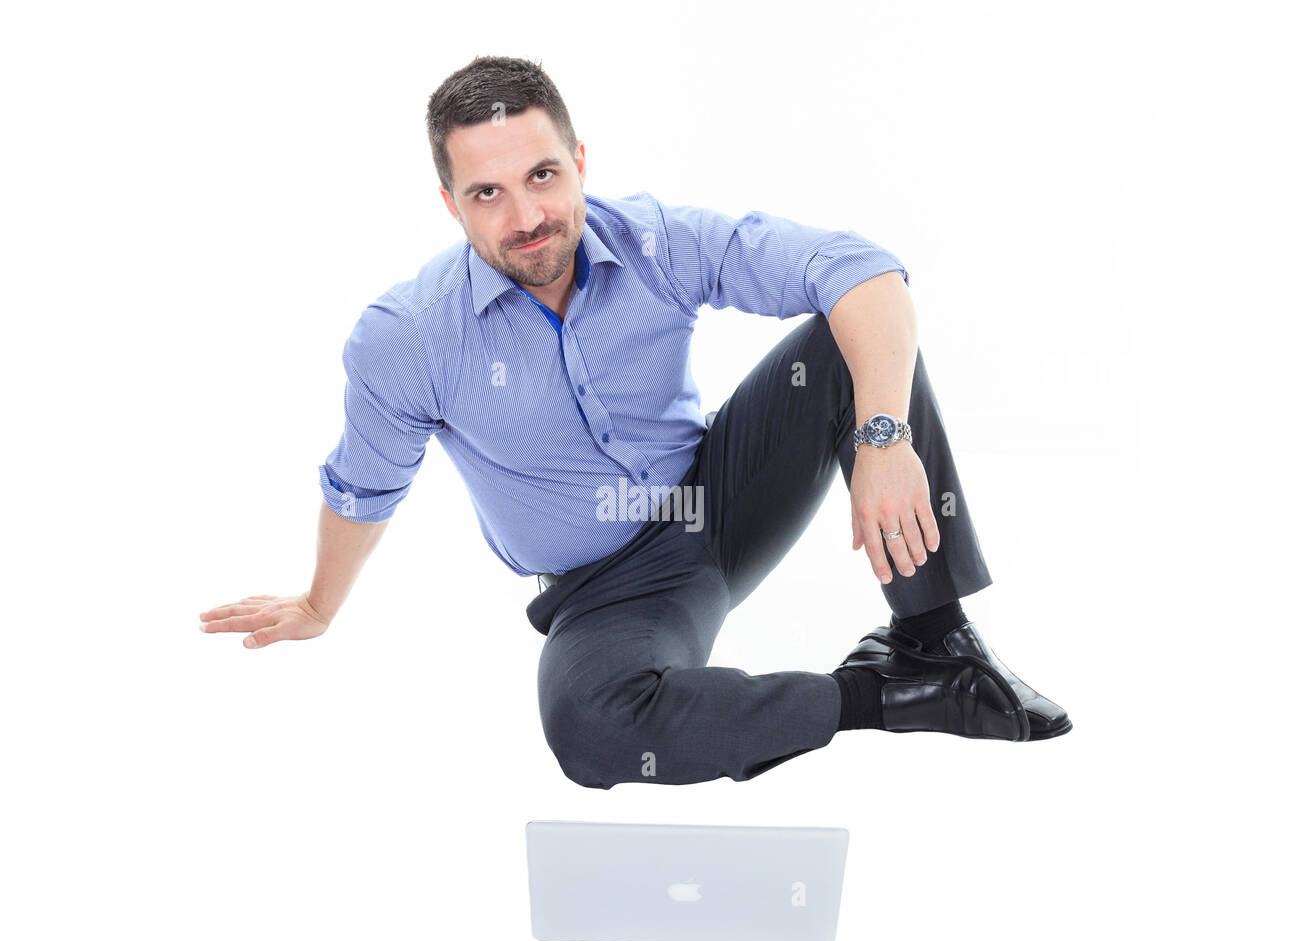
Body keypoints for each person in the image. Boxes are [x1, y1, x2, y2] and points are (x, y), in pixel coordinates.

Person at [199, 55, 1071, 788]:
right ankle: (887, 695)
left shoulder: (653, 240)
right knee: (590, 728)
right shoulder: (410, 338)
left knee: (850, 333)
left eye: (543, 176)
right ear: (451, 204)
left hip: (720, 502)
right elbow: (366, 483)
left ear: (579, 161)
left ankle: (933, 638)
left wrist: (884, 437)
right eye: (488, 193)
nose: (527, 217)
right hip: (609, 590)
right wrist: (318, 603)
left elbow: (859, 269)